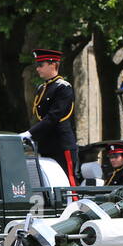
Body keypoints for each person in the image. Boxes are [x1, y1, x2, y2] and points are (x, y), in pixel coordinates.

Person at [25, 48, 77, 184]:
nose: (38, 69)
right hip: (46, 144)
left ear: (53, 65)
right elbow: (38, 116)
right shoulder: (42, 88)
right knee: (50, 183)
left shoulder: (63, 87)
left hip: (61, 144)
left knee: (68, 182)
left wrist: (30, 133)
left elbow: (54, 116)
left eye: (41, 65)